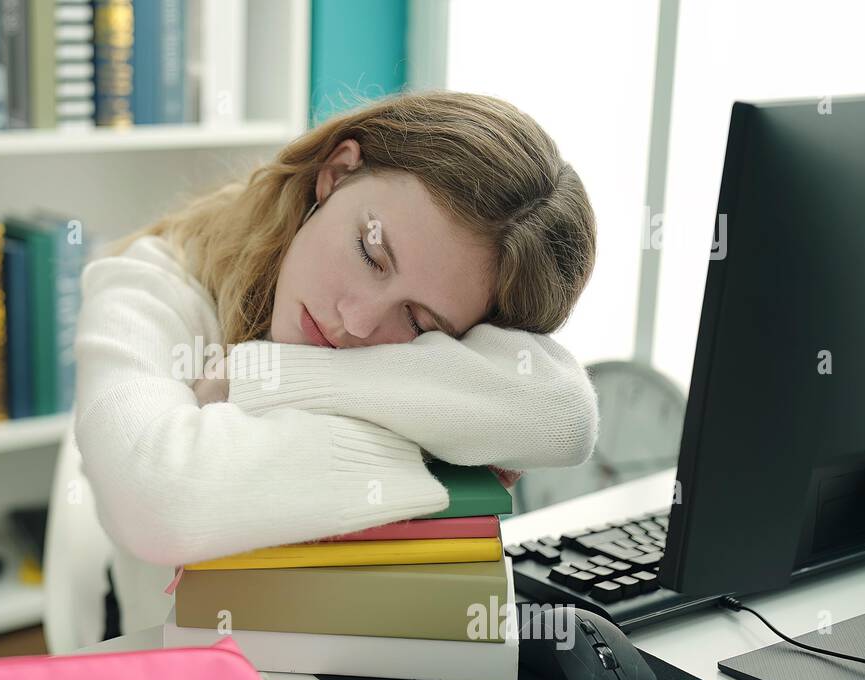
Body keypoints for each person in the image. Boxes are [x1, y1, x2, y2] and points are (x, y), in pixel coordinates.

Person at [76, 91, 601, 638]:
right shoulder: (147, 286)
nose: (355, 321)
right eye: (370, 253)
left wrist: (262, 379)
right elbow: (158, 497)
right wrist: (449, 464)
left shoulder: (349, 336)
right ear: (337, 174)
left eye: (419, 324)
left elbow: (564, 416)